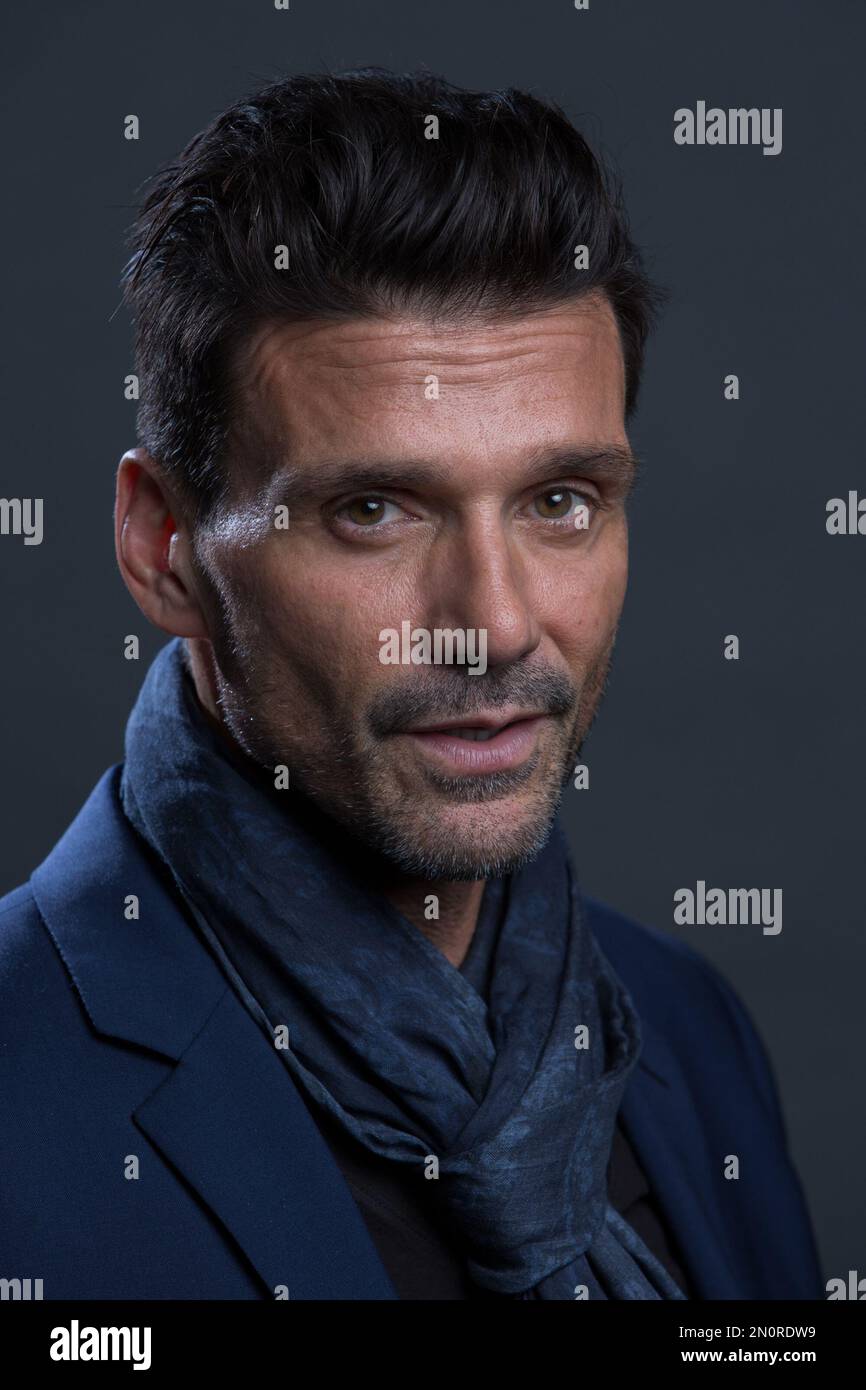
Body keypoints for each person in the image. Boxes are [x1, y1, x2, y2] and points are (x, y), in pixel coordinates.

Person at [0, 68, 822, 1300]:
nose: (491, 624)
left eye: (558, 502)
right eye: (373, 510)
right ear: (162, 546)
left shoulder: (686, 1031)